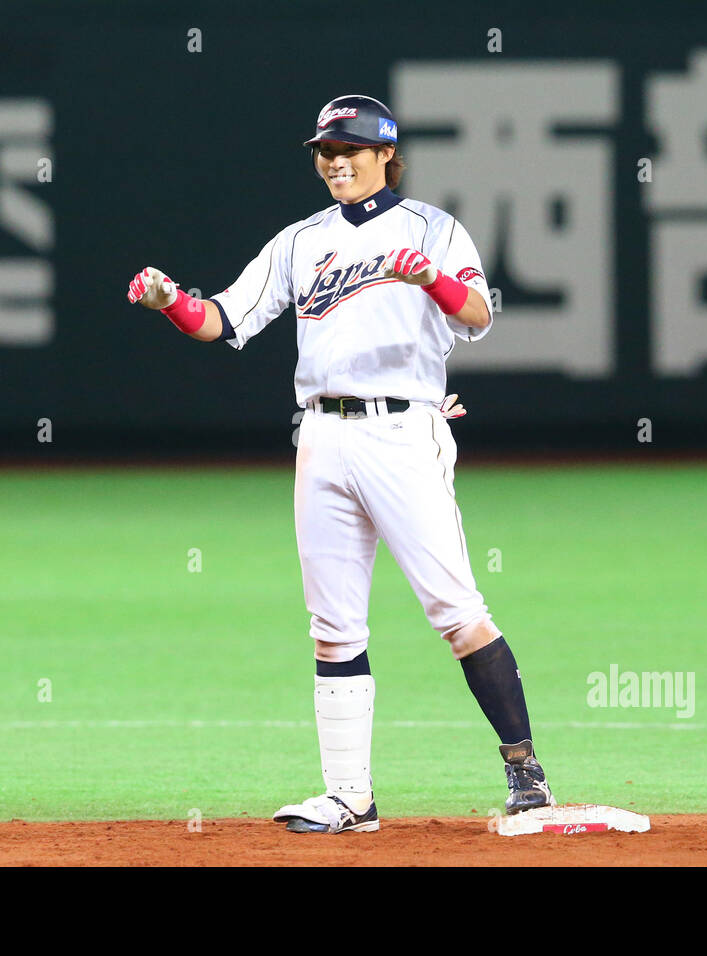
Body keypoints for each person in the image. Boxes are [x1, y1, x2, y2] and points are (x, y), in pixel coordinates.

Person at [127, 94, 553, 834]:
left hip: (402, 431)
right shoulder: (301, 241)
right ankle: (350, 797)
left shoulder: (432, 229)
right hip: (320, 437)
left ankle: (525, 771)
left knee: (457, 612)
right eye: (326, 150)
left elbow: (479, 316)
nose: (335, 162)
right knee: (333, 628)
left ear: (387, 154)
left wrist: (431, 279)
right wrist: (170, 301)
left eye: (350, 149)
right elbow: (222, 319)